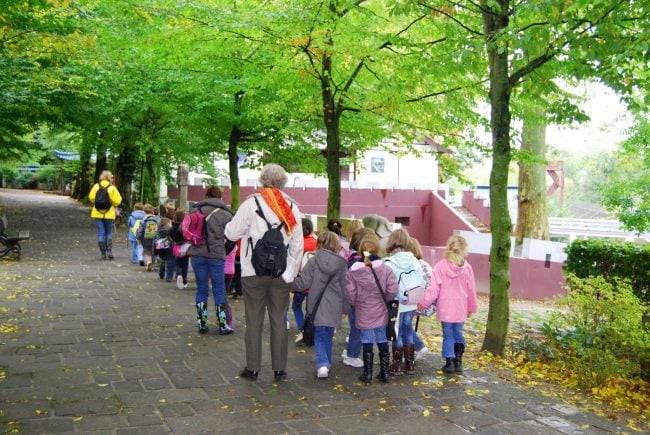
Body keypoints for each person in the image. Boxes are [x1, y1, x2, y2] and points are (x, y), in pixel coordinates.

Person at [224, 163, 303, 382]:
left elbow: (232, 233)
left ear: (262, 180)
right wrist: (291, 271)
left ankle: (253, 368)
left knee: (254, 319)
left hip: (252, 271)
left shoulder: (252, 204)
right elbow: (297, 244)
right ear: (283, 182)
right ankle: (279, 369)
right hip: (281, 272)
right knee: (279, 318)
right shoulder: (292, 207)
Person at [417, 235, 477, 373]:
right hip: (460, 308)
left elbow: (433, 289)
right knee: (458, 333)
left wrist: (423, 303)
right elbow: (471, 289)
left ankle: (449, 362)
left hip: (446, 308)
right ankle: (459, 361)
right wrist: (471, 307)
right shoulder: (467, 268)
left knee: (448, 335)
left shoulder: (440, 266)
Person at [293, 231, 348, 379]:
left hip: (316, 305)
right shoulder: (341, 264)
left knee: (319, 334)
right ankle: (326, 363)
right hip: (334, 306)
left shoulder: (313, 260)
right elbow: (345, 288)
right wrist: (345, 308)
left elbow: (303, 282)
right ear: (337, 246)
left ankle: (322, 363)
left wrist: (290, 283)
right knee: (328, 335)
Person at [345, 237, 398, 384]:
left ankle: (367, 373)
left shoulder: (353, 271)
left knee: (366, 338)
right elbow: (393, 290)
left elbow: (350, 293)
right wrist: (384, 298)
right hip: (381, 309)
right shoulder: (385, 269)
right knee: (381, 337)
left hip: (363, 310)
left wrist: (356, 303)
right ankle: (385, 372)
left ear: (361, 251)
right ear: (377, 250)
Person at [188, 186, 234, 335]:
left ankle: (202, 323)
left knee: (201, 289)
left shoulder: (195, 211)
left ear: (206, 196)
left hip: (196, 255)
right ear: (220, 197)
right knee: (219, 289)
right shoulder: (226, 215)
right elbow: (233, 238)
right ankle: (222, 324)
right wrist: (223, 250)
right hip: (216, 256)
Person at [384, 228, 424, 376]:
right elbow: (421, 280)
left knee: (397, 332)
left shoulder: (389, 262)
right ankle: (410, 364)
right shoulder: (414, 260)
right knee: (407, 329)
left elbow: (389, 285)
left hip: (397, 303)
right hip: (411, 300)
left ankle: (397, 364)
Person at [341, 227, 378, 368]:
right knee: (358, 329)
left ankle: (349, 351)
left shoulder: (352, 258)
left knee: (355, 328)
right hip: (359, 300)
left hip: (354, 299)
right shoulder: (360, 262)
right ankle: (352, 355)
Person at [292, 217, 318, 339]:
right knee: (310, 309)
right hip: (315, 283)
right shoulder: (317, 242)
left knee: (296, 307)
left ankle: (303, 329)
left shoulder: (298, 244)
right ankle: (310, 330)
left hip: (301, 283)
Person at [88, 170, 122, 260]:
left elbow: (91, 197)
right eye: (111, 176)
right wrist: (112, 204)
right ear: (108, 177)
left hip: (97, 212)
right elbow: (118, 201)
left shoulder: (96, 186)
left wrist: (97, 202)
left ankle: (103, 253)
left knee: (101, 233)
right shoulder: (112, 188)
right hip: (109, 213)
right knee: (109, 232)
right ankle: (109, 251)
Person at [408, 237, 432, 362]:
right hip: (425, 302)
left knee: (403, 324)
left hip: (417, 302)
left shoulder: (414, 265)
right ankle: (412, 348)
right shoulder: (424, 264)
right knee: (404, 324)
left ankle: (418, 346)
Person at [169, 209, 189, 289]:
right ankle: (184, 280)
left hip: (176, 246)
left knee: (177, 263)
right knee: (185, 264)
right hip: (185, 247)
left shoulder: (172, 227)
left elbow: (170, 237)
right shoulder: (184, 227)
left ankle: (178, 274)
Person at [136, 204, 159, 272]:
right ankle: (153, 264)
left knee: (146, 252)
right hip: (155, 238)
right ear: (153, 211)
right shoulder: (157, 219)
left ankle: (149, 261)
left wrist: (138, 238)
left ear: (144, 212)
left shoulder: (143, 220)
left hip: (146, 239)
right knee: (153, 252)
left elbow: (140, 231)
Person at [156, 217, 175, 282]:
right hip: (169, 248)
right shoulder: (170, 230)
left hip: (161, 248)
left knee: (163, 261)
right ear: (167, 223)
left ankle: (161, 274)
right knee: (170, 262)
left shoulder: (159, 230)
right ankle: (169, 277)